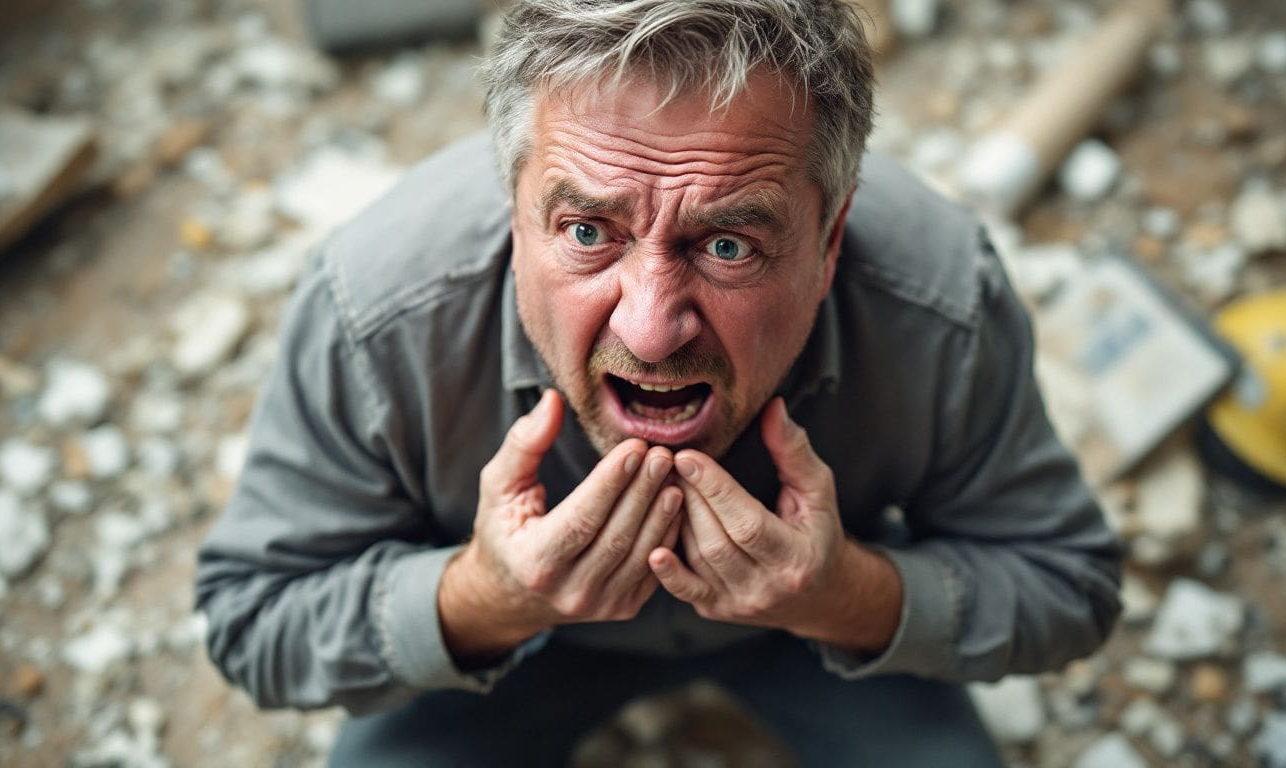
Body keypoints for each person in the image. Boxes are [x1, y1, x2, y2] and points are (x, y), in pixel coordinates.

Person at [195, 1, 1123, 765]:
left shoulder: (943, 304)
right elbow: (252, 619)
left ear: (831, 239)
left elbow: (1067, 584)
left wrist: (841, 596)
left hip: (810, 639)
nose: (650, 326)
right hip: (522, 650)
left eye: (728, 245)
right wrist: (487, 596)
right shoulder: (375, 315)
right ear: (513, 214)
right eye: (589, 233)